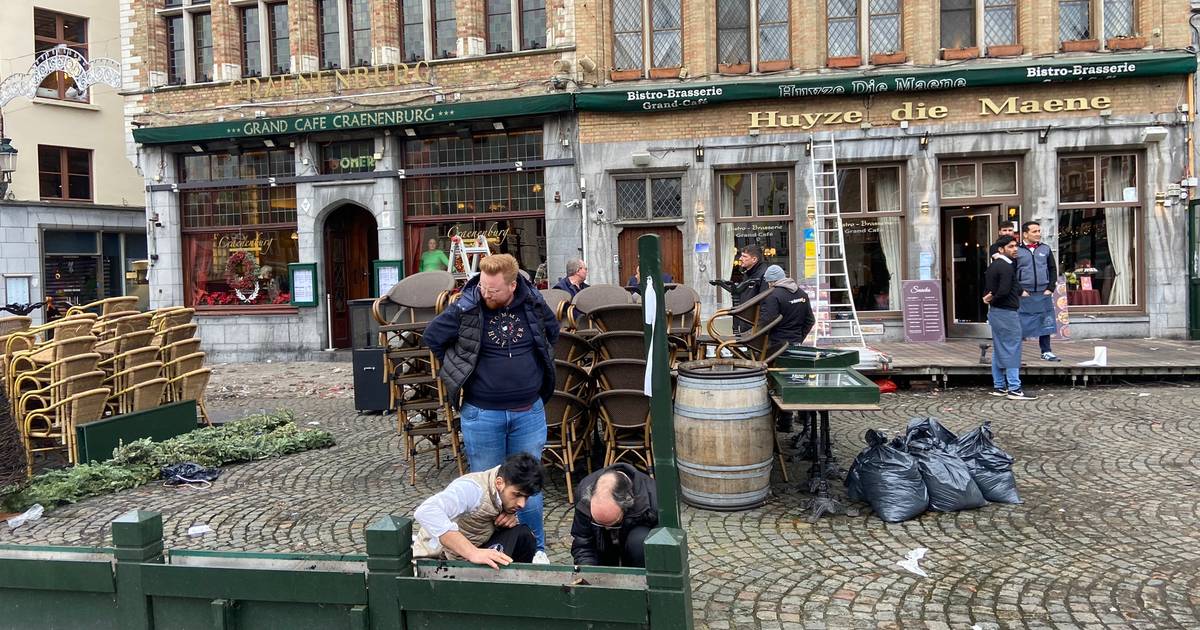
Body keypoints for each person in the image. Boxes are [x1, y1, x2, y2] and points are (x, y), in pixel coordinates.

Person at [423, 254, 560, 563]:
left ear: (513, 286)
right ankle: (489, 551)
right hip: (482, 413)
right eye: (483, 286)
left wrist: (534, 370)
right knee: (486, 491)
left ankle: (536, 551)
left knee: (528, 487)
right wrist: (458, 367)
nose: (486, 293)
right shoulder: (467, 306)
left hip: (528, 411)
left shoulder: (532, 303)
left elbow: (552, 332)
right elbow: (433, 337)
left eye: (493, 290)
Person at [412, 452, 546, 567]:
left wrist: (509, 517)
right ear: (499, 483)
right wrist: (472, 552)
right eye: (517, 495)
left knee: (524, 536)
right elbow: (425, 511)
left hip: (476, 545)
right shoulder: (472, 489)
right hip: (441, 558)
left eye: (526, 497)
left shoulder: (503, 492)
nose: (522, 504)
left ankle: (516, 584)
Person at [570, 464, 658, 568]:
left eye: (613, 523)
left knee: (638, 541)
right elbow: (583, 542)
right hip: (602, 550)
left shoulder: (654, 498)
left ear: (628, 502)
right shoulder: (583, 494)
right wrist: (588, 571)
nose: (607, 529)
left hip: (637, 548)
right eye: (598, 522)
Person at [984, 236, 1036, 400]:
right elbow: (1004, 290)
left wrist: (990, 298)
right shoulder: (1005, 266)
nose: (1015, 249)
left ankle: (999, 386)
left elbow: (991, 289)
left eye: (1016, 246)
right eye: (1011, 246)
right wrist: (993, 298)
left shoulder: (994, 265)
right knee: (1012, 348)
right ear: (1001, 249)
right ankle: (1014, 388)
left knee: (999, 349)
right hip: (1006, 313)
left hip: (997, 312)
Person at [1014, 221, 1060, 362]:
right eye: (1034, 231)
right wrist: (1020, 290)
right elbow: (1011, 273)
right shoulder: (1017, 250)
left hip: (1043, 292)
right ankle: (1015, 353)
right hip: (1024, 293)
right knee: (1020, 322)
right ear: (1025, 234)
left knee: (1045, 321)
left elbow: (1052, 269)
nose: (1038, 234)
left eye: (1039, 231)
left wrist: (1050, 288)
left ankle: (1046, 351)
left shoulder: (1045, 249)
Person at [710, 244, 770, 332]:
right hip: (746, 322)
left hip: (754, 325)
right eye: (741, 256)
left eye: (744, 256)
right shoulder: (748, 273)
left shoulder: (764, 274)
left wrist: (760, 327)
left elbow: (765, 303)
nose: (740, 259)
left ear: (754, 259)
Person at [758, 265, 815, 349]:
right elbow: (810, 320)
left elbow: (766, 322)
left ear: (771, 282)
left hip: (777, 346)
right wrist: (799, 338)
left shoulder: (772, 296)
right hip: (796, 342)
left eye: (768, 283)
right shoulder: (802, 294)